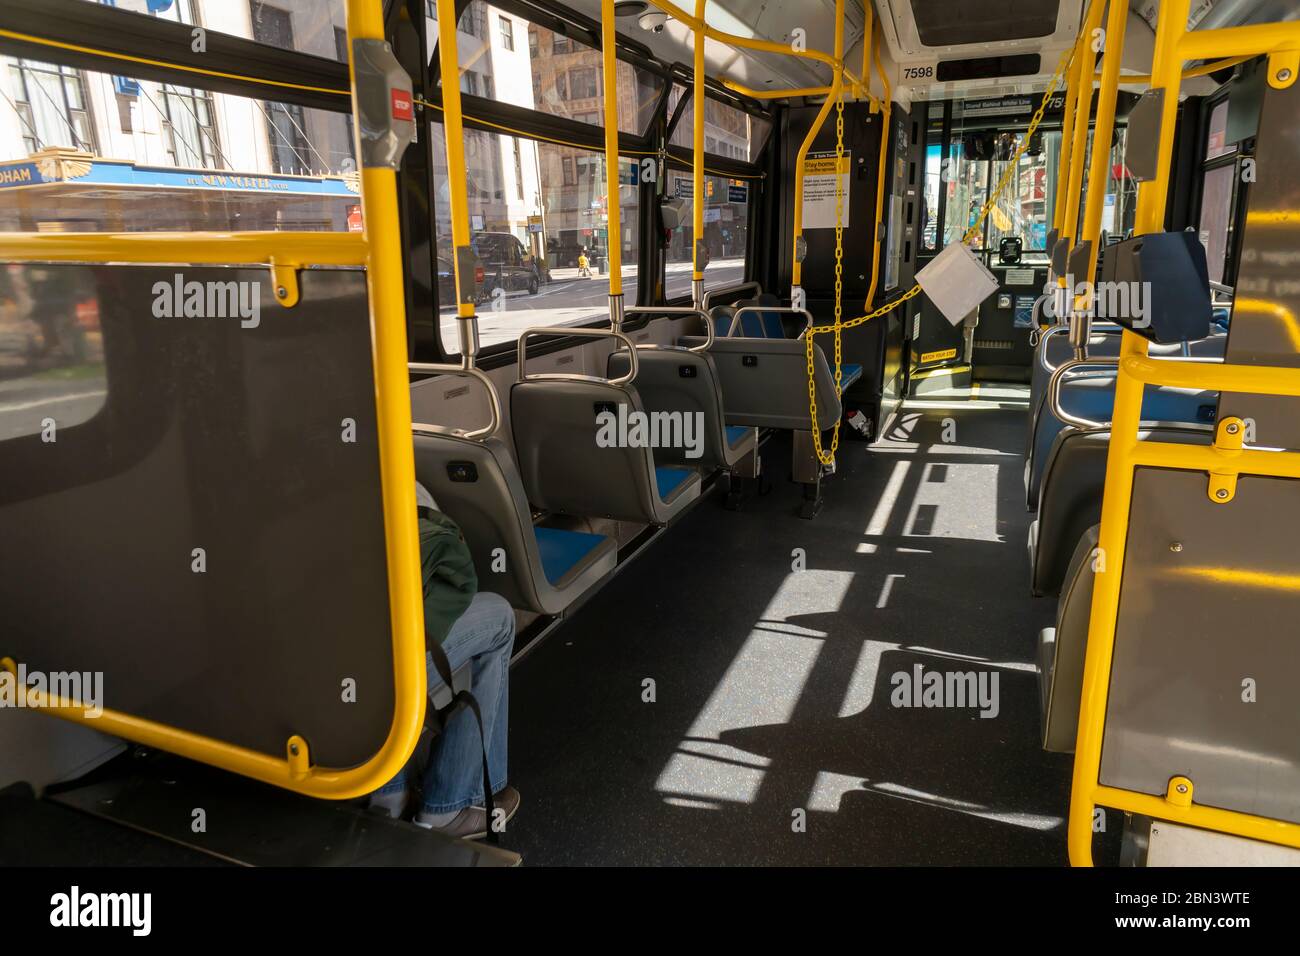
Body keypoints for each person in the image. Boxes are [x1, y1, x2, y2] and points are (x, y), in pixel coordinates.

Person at [368, 481, 520, 839]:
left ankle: (387, 794)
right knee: (499, 618)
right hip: (384, 662)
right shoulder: (387, 468)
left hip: (322, 661)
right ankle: (451, 805)